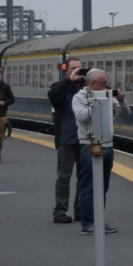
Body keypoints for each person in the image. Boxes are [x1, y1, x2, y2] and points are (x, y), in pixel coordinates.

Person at [71, 67, 127, 235]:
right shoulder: (78, 98)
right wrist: (98, 103)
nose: (106, 85)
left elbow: (125, 114)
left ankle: (99, 220)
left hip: (107, 144)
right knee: (88, 185)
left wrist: (122, 101)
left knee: (102, 186)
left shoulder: (108, 96)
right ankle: (87, 222)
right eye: (103, 83)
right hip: (89, 144)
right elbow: (81, 116)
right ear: (93, 83)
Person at [48, 60, 86, 223]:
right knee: (64, 176)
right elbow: (53, 97)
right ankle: (60, 211)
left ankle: (80, 210)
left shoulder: (86, 88)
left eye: (79, 68)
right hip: (66, 139)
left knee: (83, 177)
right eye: (73, 68)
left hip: (85, 139)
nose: (77, 71)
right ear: (66, 71)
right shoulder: (60, 87)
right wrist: (68, 81)